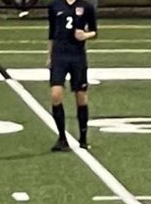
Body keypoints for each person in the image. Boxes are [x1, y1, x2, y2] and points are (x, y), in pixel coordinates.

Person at [46, 0, 95, 153]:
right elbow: (52, 32)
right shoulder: (55, 6)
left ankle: (83, 137)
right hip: (59, 56)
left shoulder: (86, 6)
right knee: (55, 95)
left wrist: (85, 35)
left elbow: (95, 31)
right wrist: (49, 55)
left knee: (80, 96)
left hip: (77, 57)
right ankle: (62, 138)